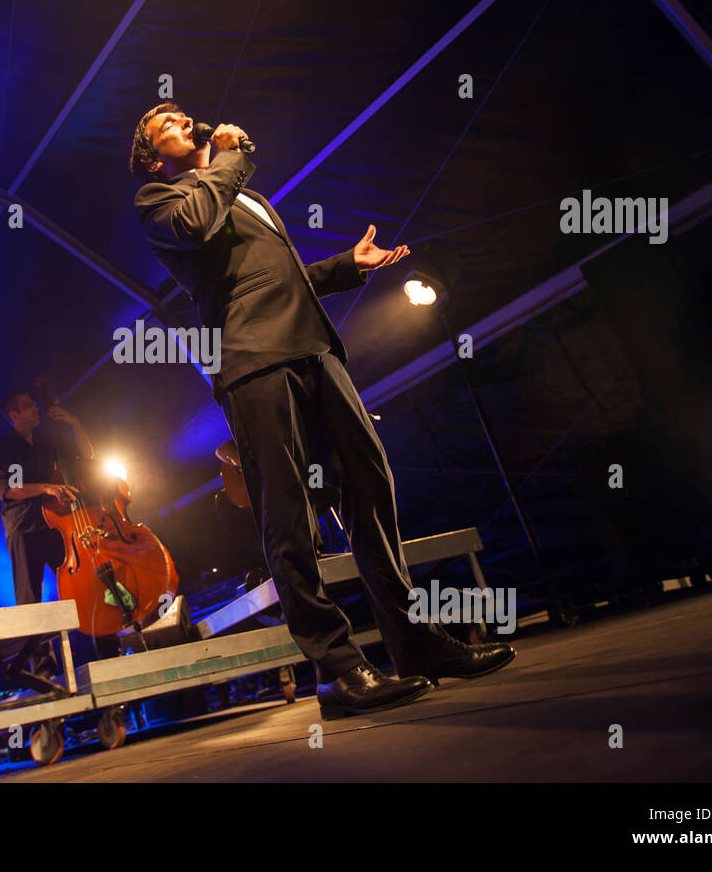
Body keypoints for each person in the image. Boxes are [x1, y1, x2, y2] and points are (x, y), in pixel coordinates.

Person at [130, 103, 514, 718]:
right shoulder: (162, 199)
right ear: (153, 157)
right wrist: (229, 157)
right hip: (254, 363)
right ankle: (336, 671)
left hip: (312, 346)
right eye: (166, 126)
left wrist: (342, 268)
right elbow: (200, 225)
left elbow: (270, 277)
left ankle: (415, 642)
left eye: (182, 115)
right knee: (288, 514)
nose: (183, 121)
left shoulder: (240, 191)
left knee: (370, 486)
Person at [0, 390, 93, 678]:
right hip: (24, 528)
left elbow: (87, 455)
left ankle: (107, 646)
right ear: (14, 416)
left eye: (35, 404)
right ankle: (46, 673)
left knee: (84, 580)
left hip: (55, 523)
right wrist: (46, 488)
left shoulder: (48, 441)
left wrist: (75, 423)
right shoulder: (6, 449)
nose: (36, 407)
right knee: (30, 601)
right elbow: (11, 488)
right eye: (28, 406)